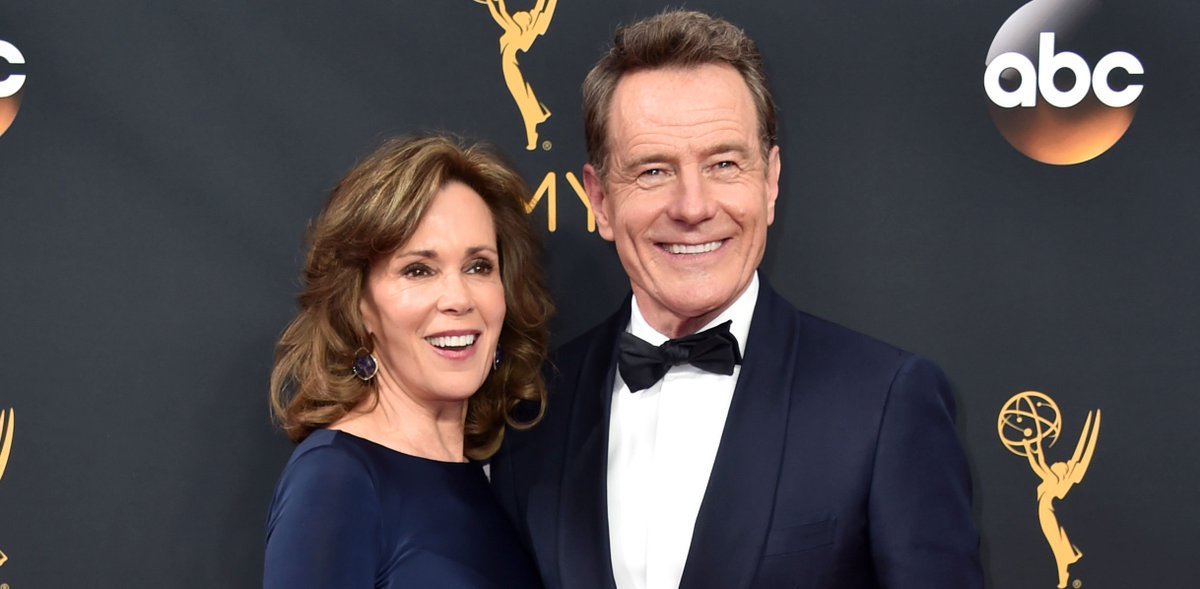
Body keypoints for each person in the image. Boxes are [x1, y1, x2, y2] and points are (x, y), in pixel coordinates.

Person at [490, 10, 982, 589]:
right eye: (653, 171)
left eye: (724, 164)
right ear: (600, 201)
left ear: (769, 183)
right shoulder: (534, 410)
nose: (693, 207)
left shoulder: (885, 403)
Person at [264, 134, 551, 588]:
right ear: (359, 304)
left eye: (479, 266)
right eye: (419, 270)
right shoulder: (337, 479)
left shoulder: (492, 482)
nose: (458, 298)